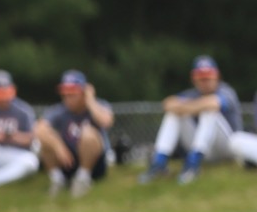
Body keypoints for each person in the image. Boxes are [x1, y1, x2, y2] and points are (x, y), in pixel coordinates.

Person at [139, 55, 257, 184]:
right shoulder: (192, 93)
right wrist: (195, 106)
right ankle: (159, 162)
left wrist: (186, 106)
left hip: (228, 148)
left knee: (210, 112)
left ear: (216, 76)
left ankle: (193, 165)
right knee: (174, 114)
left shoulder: (226, 91)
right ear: (194, 78)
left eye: (208, 77)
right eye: (201, 78)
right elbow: (167, 104)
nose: (204, 82)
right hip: (205, 150)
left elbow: (213, 103)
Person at [35, 70, 115, 198]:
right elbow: (38, 129)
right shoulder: (58, 110)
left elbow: (106, 122)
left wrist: (90, 100)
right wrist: (58, 147)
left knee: (88, 132)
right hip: (67, 160)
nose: (68, 97)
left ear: (83, 92)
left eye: (72, 93)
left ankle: (83, 178)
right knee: (46, 139)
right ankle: (57, 180)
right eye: (65, 93)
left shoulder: (99, 104)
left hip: (95, 164)